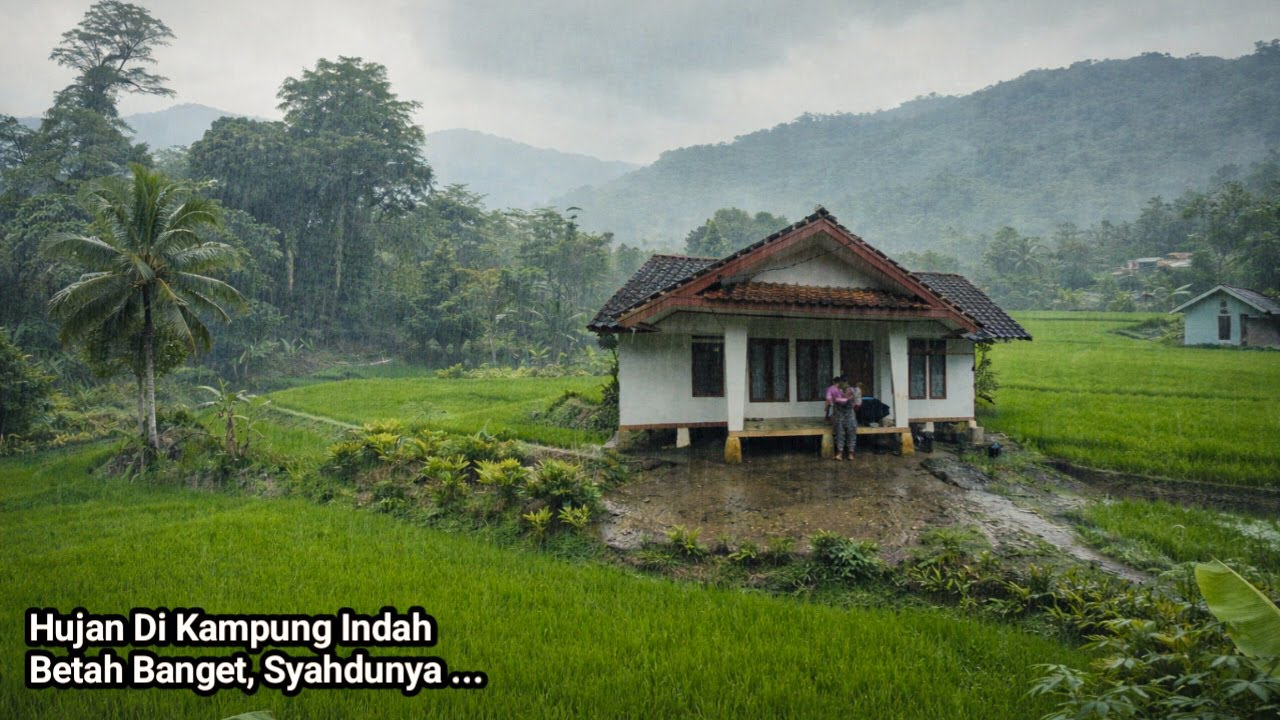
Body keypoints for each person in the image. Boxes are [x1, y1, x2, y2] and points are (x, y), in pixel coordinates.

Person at [826, 375, 858, 460]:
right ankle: (840, 454)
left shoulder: (852, 390)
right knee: (840, 435)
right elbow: (831, 402)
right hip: (840, 416)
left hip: (849, 416)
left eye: (842, 382)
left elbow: (851, 402)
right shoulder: (836, 390)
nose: (840, 384)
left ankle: (850, 454)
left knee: (851, 435)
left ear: (845, 382)